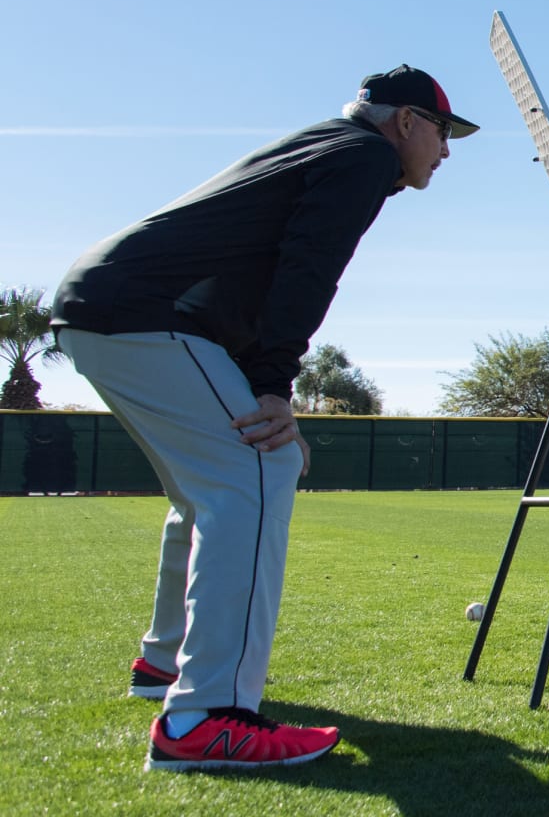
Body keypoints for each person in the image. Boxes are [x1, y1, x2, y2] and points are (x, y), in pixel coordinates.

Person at [51, 64, 477, 768]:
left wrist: (258, 379)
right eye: (441, 131)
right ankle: (204, 716)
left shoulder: (326, 143)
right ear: (406, 122)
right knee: (260, 462)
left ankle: (164, 663)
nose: (446, 150)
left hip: (109, 304)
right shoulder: (364, 154)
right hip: (138, 313)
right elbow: (310, 266)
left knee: (209, 485)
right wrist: (274, 385)